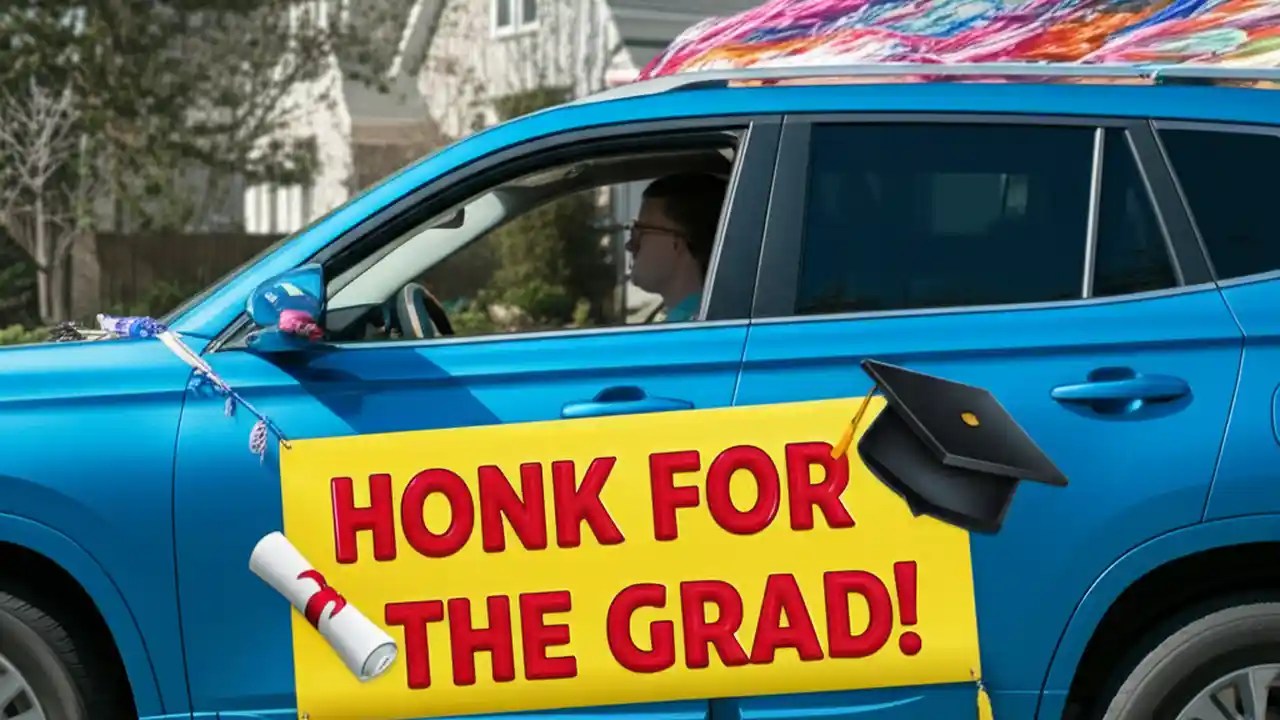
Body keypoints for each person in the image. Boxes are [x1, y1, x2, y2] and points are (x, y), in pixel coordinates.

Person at [626, 172, 728, 323]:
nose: (629, 246)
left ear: (678, 241)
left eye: (641, 232)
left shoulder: (695, 330)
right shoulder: (710, 319)